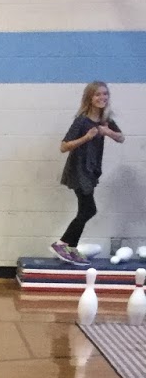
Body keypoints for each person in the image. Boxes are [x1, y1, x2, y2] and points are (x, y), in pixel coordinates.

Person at [51, 81, 124, 264]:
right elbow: (63, 146)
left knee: (86, 209)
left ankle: (70, 247)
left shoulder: (105, 119)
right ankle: (62, 244)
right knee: (89, 209)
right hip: (78, 169)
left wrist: (108, 132)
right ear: (89, 98)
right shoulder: (82, 121)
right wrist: (86, 137)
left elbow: (121, 138)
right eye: (97, 94)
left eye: (105, 94)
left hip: (91, 170)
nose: (102, 98)